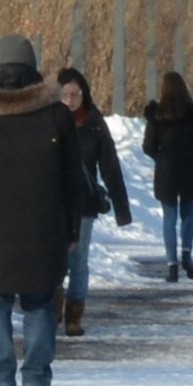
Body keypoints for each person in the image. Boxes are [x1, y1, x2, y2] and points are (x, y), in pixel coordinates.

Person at [0, 35, 105, 386]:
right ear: (33, 66)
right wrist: (72, 229)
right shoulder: (56, 114)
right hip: (43, 226)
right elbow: (72, 179)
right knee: (39, 304)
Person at [54, 57, 134, 342]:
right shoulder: (48, 123)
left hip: (84, 204)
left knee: (78, 260)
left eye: (76, 94)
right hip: (53, 203)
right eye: (65, 95)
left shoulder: (95, 125)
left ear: (84, 94)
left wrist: (122, 210)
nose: (71, 100)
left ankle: (73, 315)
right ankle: (53, 310)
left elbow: (110, 166)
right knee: (54, 259)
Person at [135, 68, 193, 281]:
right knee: (189, 214)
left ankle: (172, 266)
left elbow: (148, 145)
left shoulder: (157, 114)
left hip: (166, 169)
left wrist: (160, 158)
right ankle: (187, 254)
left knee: (169, 218)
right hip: (190, 167)